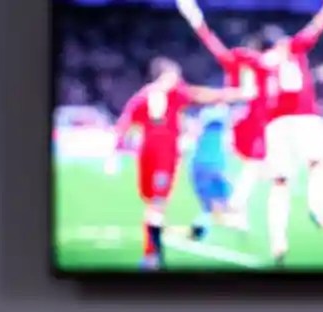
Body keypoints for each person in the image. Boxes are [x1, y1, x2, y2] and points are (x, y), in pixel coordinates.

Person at [105, 57, 250, 270]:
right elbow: (202, 95)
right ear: (165, 76)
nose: (179, 80)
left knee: (154, 203)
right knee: (156, 204)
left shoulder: (146, 95)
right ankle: (153, 256)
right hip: (163, 156)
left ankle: (152, 254)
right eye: (175, 76)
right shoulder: (169, 94)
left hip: (148, 155)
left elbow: (124, 123)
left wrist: (114, 154)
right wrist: (236, 93)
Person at [257, 0, 323, 265]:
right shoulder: (294, 48)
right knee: (318, 164)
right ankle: (316, 206)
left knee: (279, 184)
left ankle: (278, 240)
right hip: (303, 118)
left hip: (275, 125)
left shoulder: (261, 64)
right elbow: (317, 26)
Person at [176, 0, 274, 233]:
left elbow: (211, 41)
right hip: (251, 120)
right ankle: (235, 205)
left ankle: (235, 209)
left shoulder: (235, 60)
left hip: (237, 118)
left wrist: (193, 15)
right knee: (255, 165)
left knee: (252, 166)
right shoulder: (263, 65)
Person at [188, 103, 234, 241]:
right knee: (221, 202)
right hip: (210, 167)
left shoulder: (207, 124)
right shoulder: (219, 126)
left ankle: (199, 229)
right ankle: (201, 226)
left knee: (212, 205)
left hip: (201, 167)